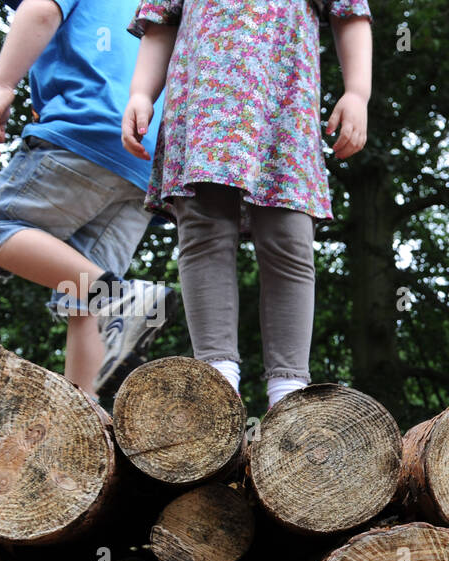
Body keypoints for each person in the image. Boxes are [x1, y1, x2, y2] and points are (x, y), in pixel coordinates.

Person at [122, 0, 373, 408]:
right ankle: (217, 379)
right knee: (203, 232)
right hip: (203, 106)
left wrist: (358, 93)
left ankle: (288, 392)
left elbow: (351, 15)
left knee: (289, 240)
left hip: (284, 109)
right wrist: (140, 92)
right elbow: (160, 22)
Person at [0, 0, 173, 400]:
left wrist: (1, 86)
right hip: (146, 163)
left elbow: (41, 10)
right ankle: (86, 416)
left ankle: (124, 298)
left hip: (87, 131)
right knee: (82, 298)